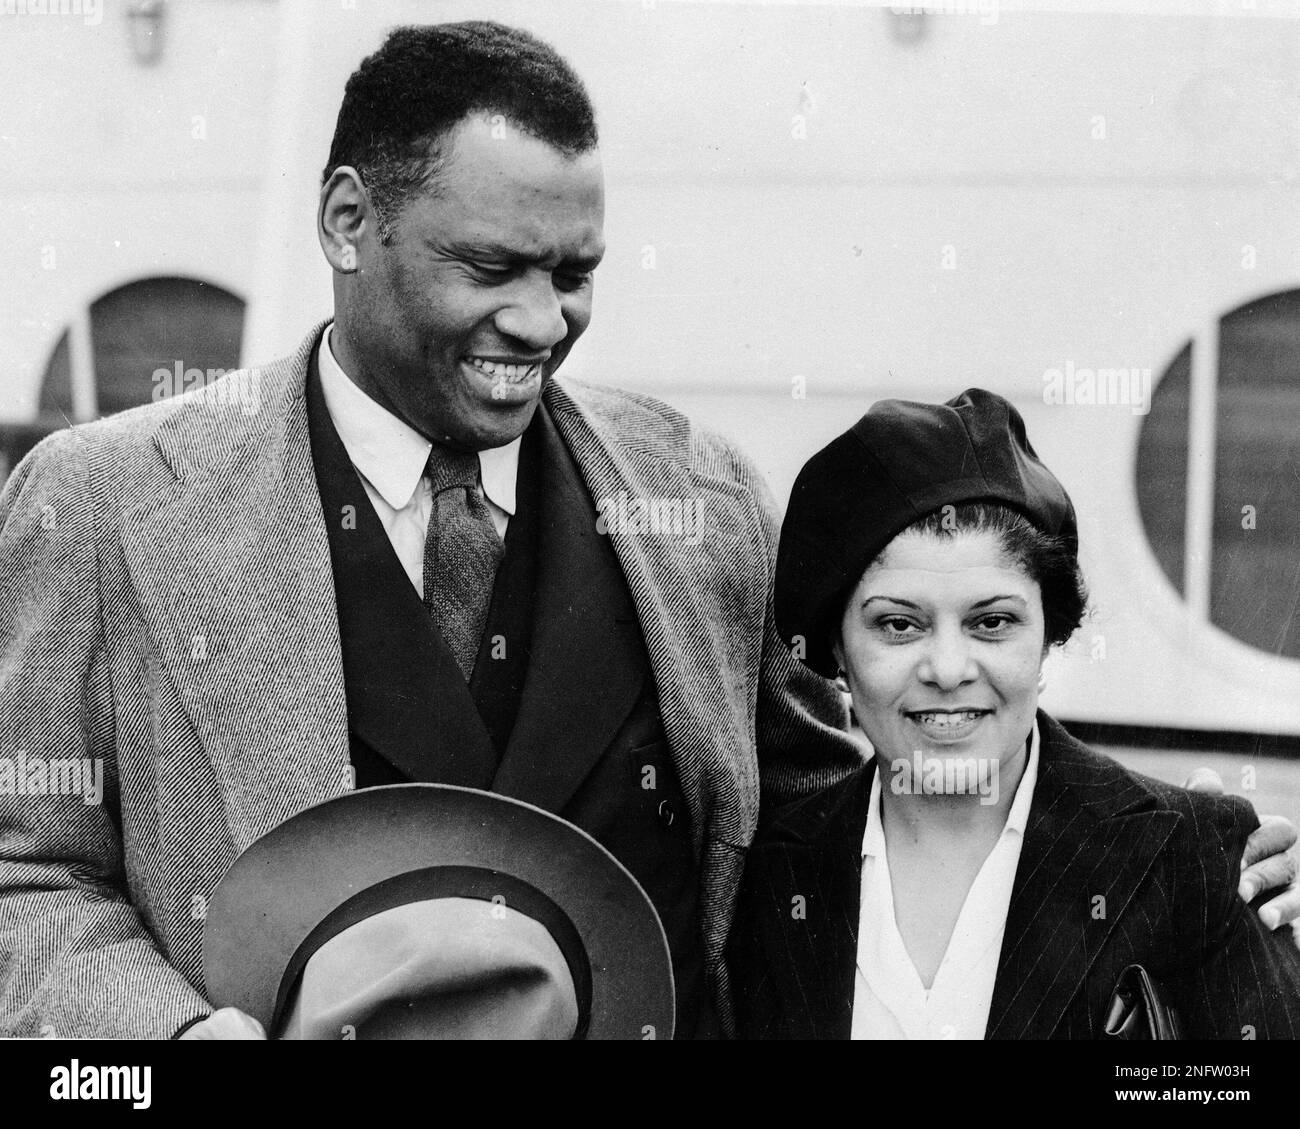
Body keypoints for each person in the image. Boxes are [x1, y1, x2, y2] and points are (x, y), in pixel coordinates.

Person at [0, 23, 1292, 1041]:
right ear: (348, 220)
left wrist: (1197, 849)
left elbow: (836, 806)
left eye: (575, 274)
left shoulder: (703, 494)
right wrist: (174, 1037)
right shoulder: (105, 502)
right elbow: (26, 878)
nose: (544, 322)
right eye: (490, 267)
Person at [728, 389, 1300, 1038]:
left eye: (992, 621)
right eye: (897, 623)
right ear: (835, 646)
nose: (947, 668)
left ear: (1048, 634)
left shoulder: (1192, 857)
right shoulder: (776, 871)